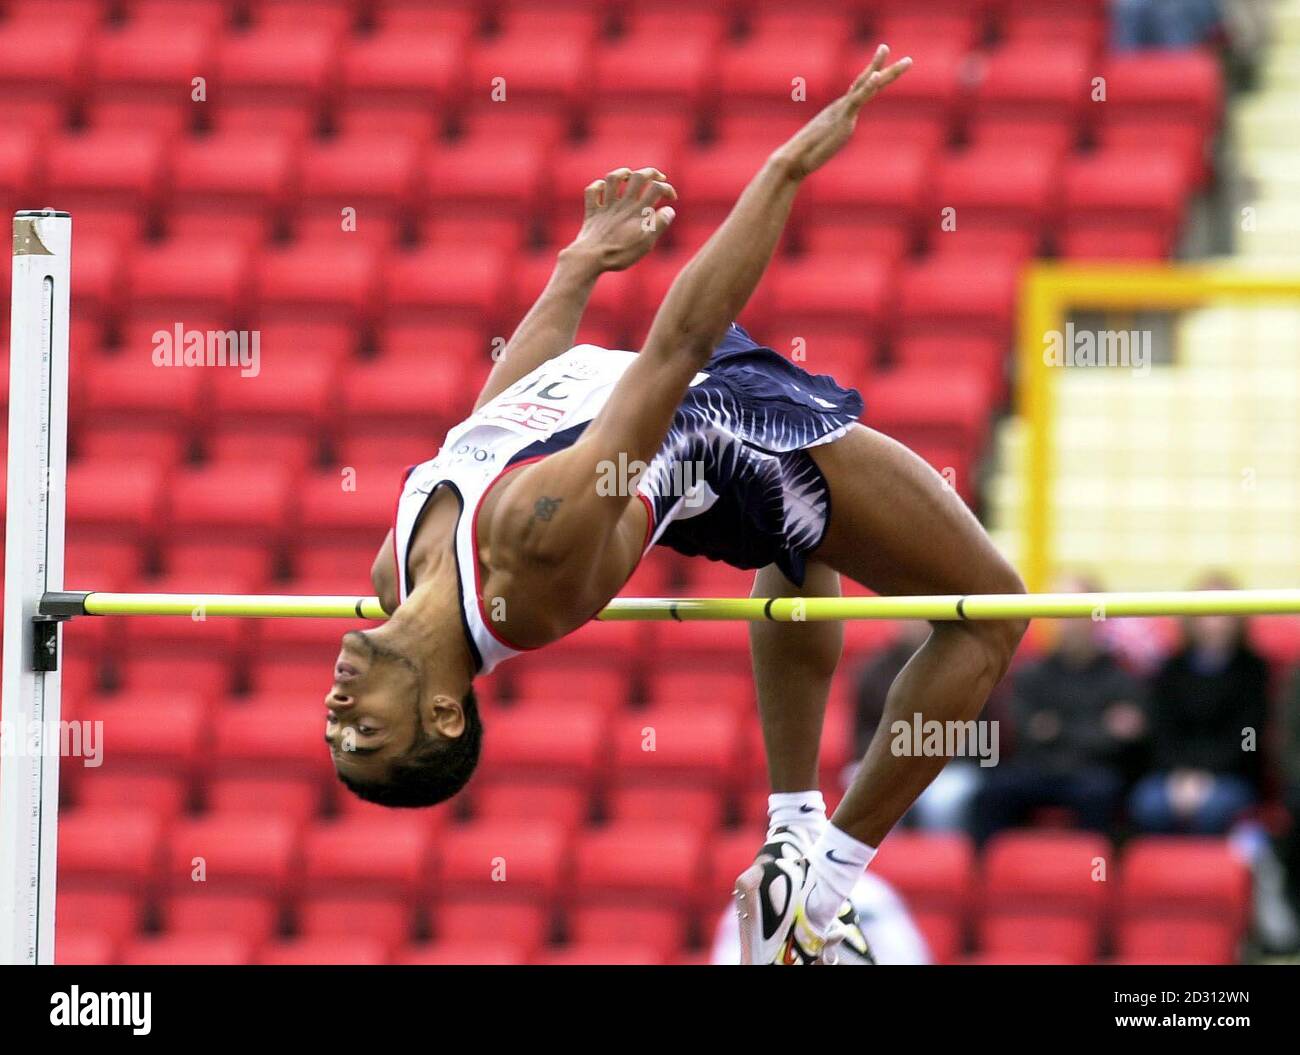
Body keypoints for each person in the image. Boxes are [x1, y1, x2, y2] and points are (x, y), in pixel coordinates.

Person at [323, 47, 1029, 965]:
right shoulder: (531, 552)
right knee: (991, 613)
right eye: (365, 727)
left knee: (794, 552)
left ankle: (792, 829)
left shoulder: (396, 571)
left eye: (336, 726)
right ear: (447, 714)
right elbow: (677, 348)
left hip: (692, 457)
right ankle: (825, 888)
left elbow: (499, 416)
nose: (337, 705)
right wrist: (787, 171)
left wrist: (578, 266)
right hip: (741, 436)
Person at [1128, 584, 1269, 835]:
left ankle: (1214, 872)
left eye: (1223, 614)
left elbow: (1249, 737)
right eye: (1207, 614)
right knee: (1149, 803)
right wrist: (1180, 776)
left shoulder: (1253, 671)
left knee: (1214, 807)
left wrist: (1206, 777)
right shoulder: (1171, 670)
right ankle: (1161, 871)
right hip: (1172, 776)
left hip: (1231, 775)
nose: (1215, 623)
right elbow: (1161, 731)